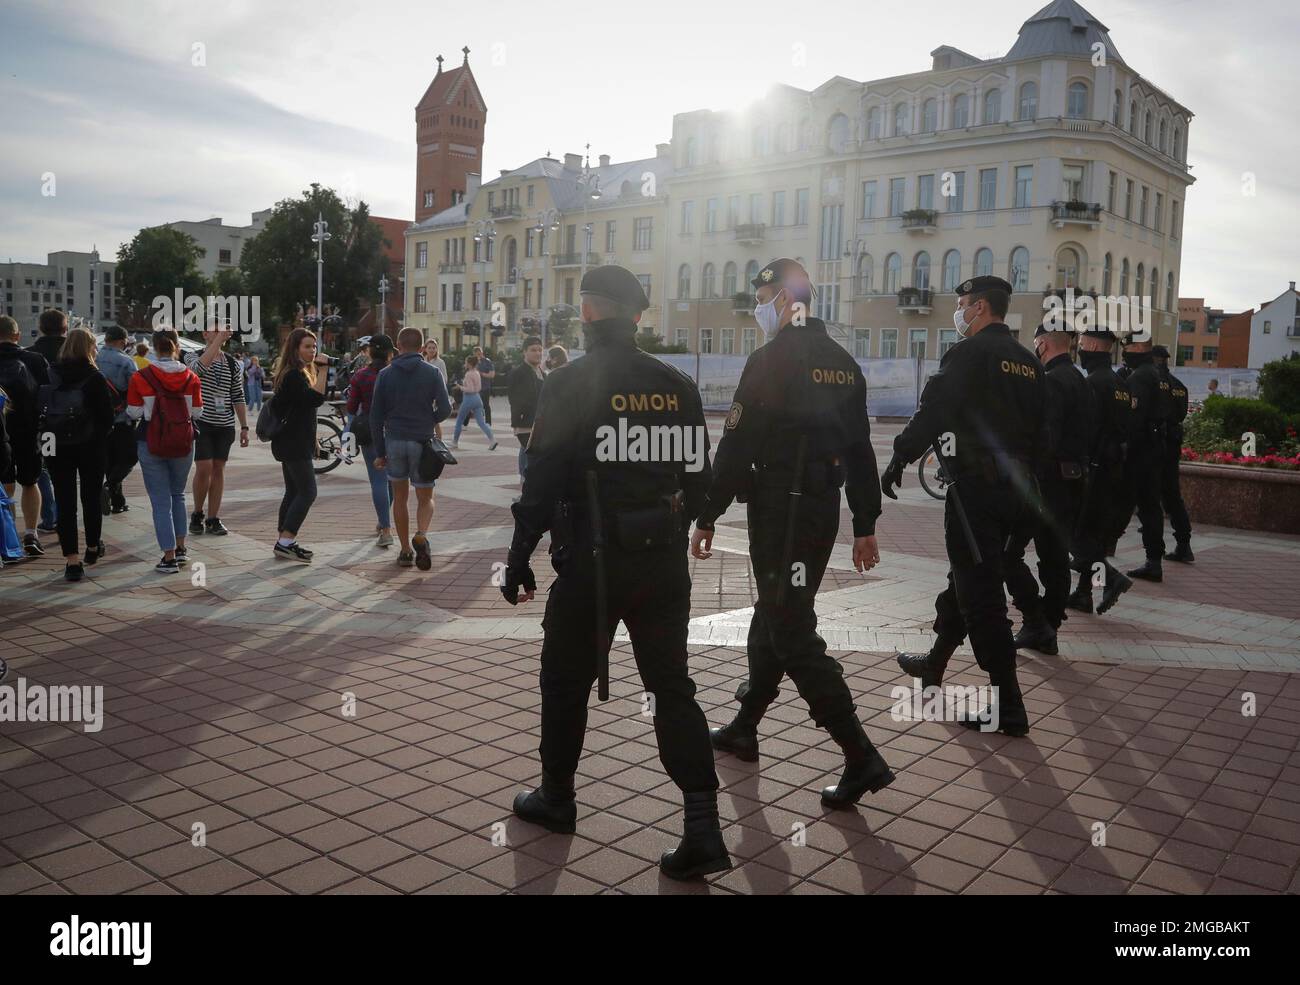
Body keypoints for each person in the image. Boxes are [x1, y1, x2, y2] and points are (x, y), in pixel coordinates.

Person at [500, 265, 729, 880]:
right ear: (637, 315)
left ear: (590, 312)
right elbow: (700, 482)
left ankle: (557, 798)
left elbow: (542, 480)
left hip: (590, 564)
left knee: (564, 681)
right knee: (672, 687)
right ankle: (702, 827)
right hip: (659, 562)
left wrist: (519, 559)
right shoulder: (675, 385)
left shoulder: (569, 381)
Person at [692, 257, 893, 807]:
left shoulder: (771, 358)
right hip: (821, 511)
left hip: (781, 512)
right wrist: (865, 523)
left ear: (782, 298)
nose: (759, 307)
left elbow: (736, 446)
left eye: (762, 296)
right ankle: (745, 725)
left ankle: (860, 756)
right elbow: (859, 450)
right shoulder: (842, 363)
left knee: (791, 629)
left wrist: (707, 514)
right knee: (776, 612)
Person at [886, 276, 1046, 736]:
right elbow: (1043, 432)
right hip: (1018, 490)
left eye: (961, 304)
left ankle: (1009, 704)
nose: (958, 313)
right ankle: (934, 663)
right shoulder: (1027, 361)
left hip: (976, 489)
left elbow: (934, 409)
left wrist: (900, 454)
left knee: (982, 598)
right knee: (966, 576)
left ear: (978, 308)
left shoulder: (969, 353)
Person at [1002, 322, 1095, 657]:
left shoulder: (1052, 381)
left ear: (1041, 344)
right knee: (1055, 558)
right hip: (1075, 481)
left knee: (1007, 554)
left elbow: (1047, 438)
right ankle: (1049, 628)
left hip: (1047, 484)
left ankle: (1034, 619)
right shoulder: (1081, 380)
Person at [370, 328, 452, 569]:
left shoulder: (385, 375)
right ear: (422, 347)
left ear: (398, 345)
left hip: (394, 440)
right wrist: (430, 418)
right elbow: (446, 408)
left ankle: (405, 550)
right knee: (426, 496)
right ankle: (422, 534)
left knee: (400, 498)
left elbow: (375, 416)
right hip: (422, 441)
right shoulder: (433, 372)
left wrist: (380, 452)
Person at [1067, 328, 1134, 615]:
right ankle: (1084, 593)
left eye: (1081, 344)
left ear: (1094, 345)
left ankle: (1110, 579)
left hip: (1093, 468)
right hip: (1114, 468)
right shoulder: (1121, 384)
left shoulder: (1094, 383)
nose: (1079, 349)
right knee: (1092, 536)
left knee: (1077, 536)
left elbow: (1086, 429)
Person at [127, 329, 203, 574]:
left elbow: (134, 412)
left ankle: (168, 557)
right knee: (177, 494)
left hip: (151, 440)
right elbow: (198, 413)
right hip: (183, 440)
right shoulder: (191, 376)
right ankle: (181, 549)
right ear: (175, 347)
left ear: (153, 348)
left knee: (160, 502)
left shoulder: (141, 376)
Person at [41, 327, 115, 581]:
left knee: (64, 501)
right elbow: (107, 418)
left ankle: (72, 561)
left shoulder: (50, 372)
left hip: (54, 444)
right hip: (90, 445)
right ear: (89, 348)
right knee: (91, 497)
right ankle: (93, 548)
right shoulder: (94, 377)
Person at [269, 329, 329, 562]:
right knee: (308, 491)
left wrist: (313, 441)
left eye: (314, 347)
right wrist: (324, 370)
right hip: (293, 443)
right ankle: (285, 541)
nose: (312, 351)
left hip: (292, 441)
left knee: (294, 491)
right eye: (307, 347)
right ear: (295, 349)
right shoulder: (294, 375)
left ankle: (285, 540)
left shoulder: (297, 372)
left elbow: (304, 409)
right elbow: (315, 399)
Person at [1112, 333, 1166, 581]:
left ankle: (1098, 551)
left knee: (1125, 503)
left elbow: (1133, 417)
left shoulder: (1141, 377)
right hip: (1154, 450)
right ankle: (1154, 559)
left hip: (1140, 451)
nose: (1125, 351)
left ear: (1140, 347)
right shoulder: (1154, 373)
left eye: (1128, 347)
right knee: (1149, 506)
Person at [187, 320, 249, 536]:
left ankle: (213, 517)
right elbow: (197, 371)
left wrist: (244, 426)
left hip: (224, 424)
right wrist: (217, 341)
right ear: (205, 334)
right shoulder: (192, 356)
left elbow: (238, 395)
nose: (221, 333)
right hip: (202, 421)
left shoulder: (233, 363)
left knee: (218, 469)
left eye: (223, 330)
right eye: (215, 330)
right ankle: (197, 512)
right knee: (204, 467)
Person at [0, 315, 49, 557]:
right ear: (17, 335)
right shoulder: (34, 359)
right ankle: (31, 533)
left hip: (1, 432)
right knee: (30, 482)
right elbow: (48, 396)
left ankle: (7, 536)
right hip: (29, 430)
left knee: (4, 485)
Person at [346, 333, 397, 549]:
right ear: (389, 353)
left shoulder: (360, 375)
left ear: (370, 352)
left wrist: (346, 438)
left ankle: (385, 529)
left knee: (378, 480)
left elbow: (350, 409)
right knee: (393, 479)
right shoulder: (396, 375)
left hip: (370, 431)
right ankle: (384, 521)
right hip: (396, 431)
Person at [1153, 345, 1194, 564]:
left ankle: (1105, 544)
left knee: (1146, 497)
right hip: (1173, 442)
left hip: (1155, 442)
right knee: (1171, 495)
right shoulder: (1179, 386)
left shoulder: (1151, 383)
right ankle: (1184, 543)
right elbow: (1181, 413)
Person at [27, 308, 65, 535]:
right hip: (70, 423)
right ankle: (63, 514)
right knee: (63, 469)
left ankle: (50, 516)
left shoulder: (31, 354)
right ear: (65, 327)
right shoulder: (76, 351)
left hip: (41, 422)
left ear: (41, 327)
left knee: (43, 468)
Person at [96, 325, 138, 515]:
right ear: (123, 341)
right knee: (129, 457)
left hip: (99, 420)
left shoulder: (93, 358)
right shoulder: (126, 362)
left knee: (110, 460)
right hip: (123, 418)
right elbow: (136, 390)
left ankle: (118, 501)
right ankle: (110, 486)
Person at [507, 335, 545, 479]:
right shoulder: (518, 373)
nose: (538, 353)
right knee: (532, 454)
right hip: (525, 422)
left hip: (539, 421)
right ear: (525, 352)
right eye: (533, 350)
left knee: (527, 452)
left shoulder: (541, 372)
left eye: (540, 350)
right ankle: (527, 486)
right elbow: (515, 399)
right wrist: (520, 418)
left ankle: (524, 484)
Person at [452, 353, 497, 450]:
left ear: (469, 364)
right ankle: (492, 440)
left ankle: (455, 442)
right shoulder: (477, 372)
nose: (465, 364)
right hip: (477, 398)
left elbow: (470, 389)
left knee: (459, 421)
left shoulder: (468, 374)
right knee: (481, 422)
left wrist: (460, 387)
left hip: (469, 399)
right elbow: (478, 387)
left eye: (466, 362)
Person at [474, 345, 496, 424]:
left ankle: (488, 423)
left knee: (486, 405)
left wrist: (481, 374)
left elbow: (492, 375)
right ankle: (464, 423)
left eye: (479, 354)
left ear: (482, 353)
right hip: (475, 388)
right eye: (476, 354)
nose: (478, 355)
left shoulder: (487, 362)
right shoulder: (473, 362)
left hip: (485, 387)